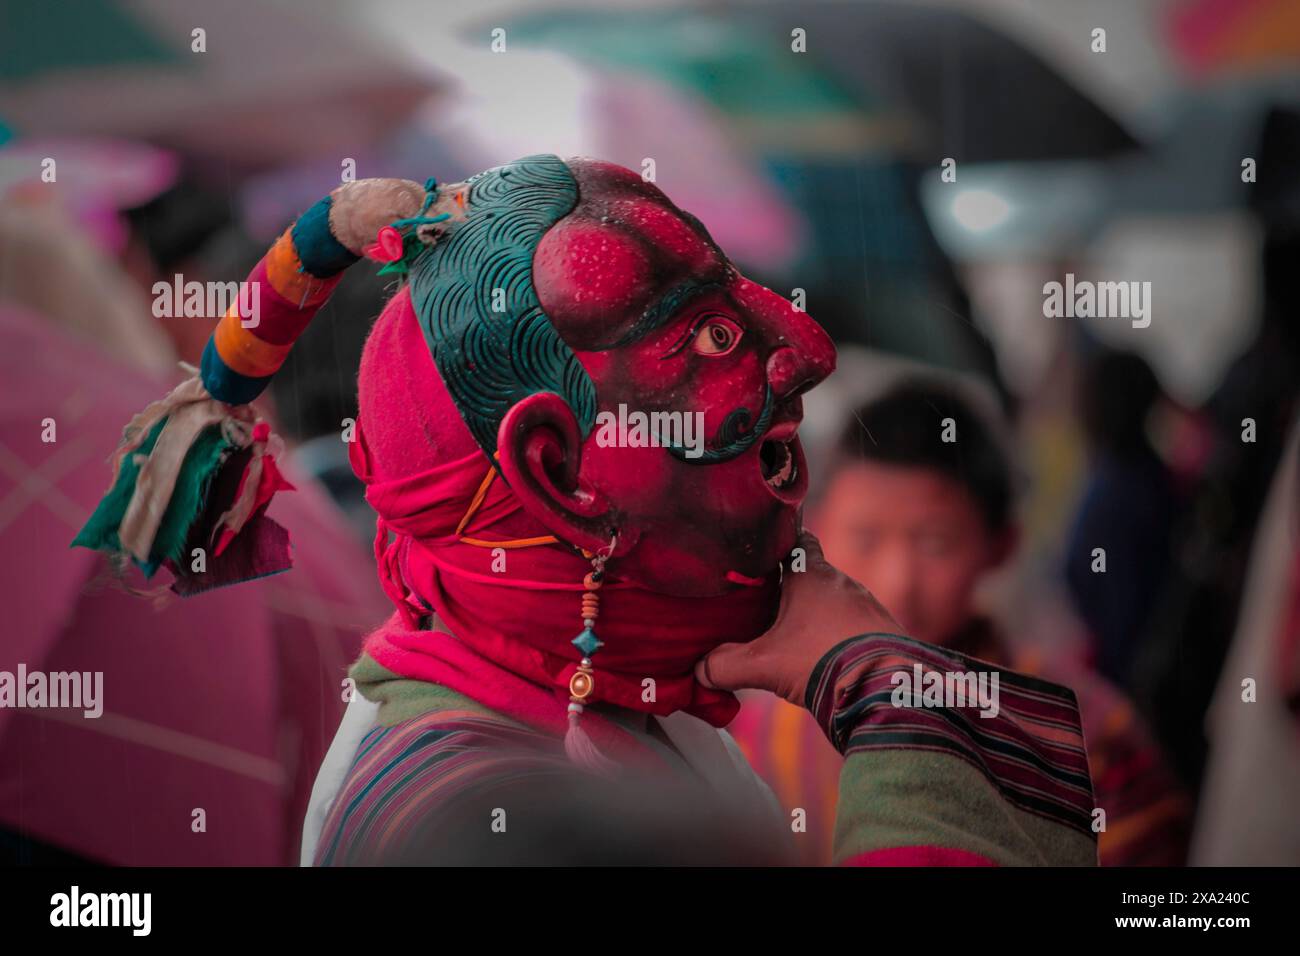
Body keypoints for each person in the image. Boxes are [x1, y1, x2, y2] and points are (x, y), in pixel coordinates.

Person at [77, 156, 1098, 866]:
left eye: (738, 297)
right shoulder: (483, 817)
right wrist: (890, 684)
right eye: (705, 336)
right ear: (557, 471)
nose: (803, 346)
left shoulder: (589, 706)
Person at [733, 378, 1190, 865]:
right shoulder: (758, 743)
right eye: (866, 538)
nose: (897, 581)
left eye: (936, 543)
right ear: (813, 531)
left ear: (1002, 544)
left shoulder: (1088, 734)